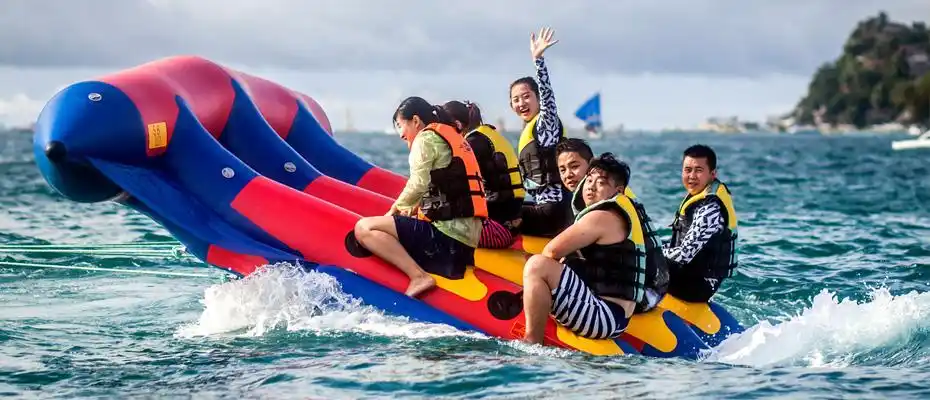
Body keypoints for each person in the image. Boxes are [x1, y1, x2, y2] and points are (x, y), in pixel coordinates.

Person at [520, 153, 668, 344]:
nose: (590, 186)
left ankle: (532, 341)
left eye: (601, 183)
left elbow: (551, 252)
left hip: (603, 318)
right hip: (616, 316)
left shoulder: (602, 216)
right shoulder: (617, 212)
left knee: (537, 265)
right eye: (589, 180)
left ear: (619, 190)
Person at [353, 96, 487, 298]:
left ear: (415, 121)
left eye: (400, 125)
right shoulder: (451, 136)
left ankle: (418, 276)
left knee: (364, 227)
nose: (400, 134)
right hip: (465, 244)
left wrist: (394, 210)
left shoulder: (425, 138)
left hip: (446, 243)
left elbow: (418, 183)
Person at [510, 27, 572, 238]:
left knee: (498, 213)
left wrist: (539, 61)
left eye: (526, 96)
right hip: (542, 207)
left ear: (537, 98)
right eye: (516, 100)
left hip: (553, 211)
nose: (521, 103)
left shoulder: (545, 124)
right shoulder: (529, 129)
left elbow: (549, 100)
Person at [442, 100, 524, 249]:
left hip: (498, 227)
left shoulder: (473, 143)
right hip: (511, 218)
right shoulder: (487, 134)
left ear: (457, 124)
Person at [663, 144, 738, 303]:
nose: (692, 176)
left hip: (699, 285)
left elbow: (684, 255)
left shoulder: (710, 209)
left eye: (698, 170)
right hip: (690, 275)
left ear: (712, 174)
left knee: (639, 261)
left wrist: (649, 251)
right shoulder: (698, 197)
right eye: (687, 170)